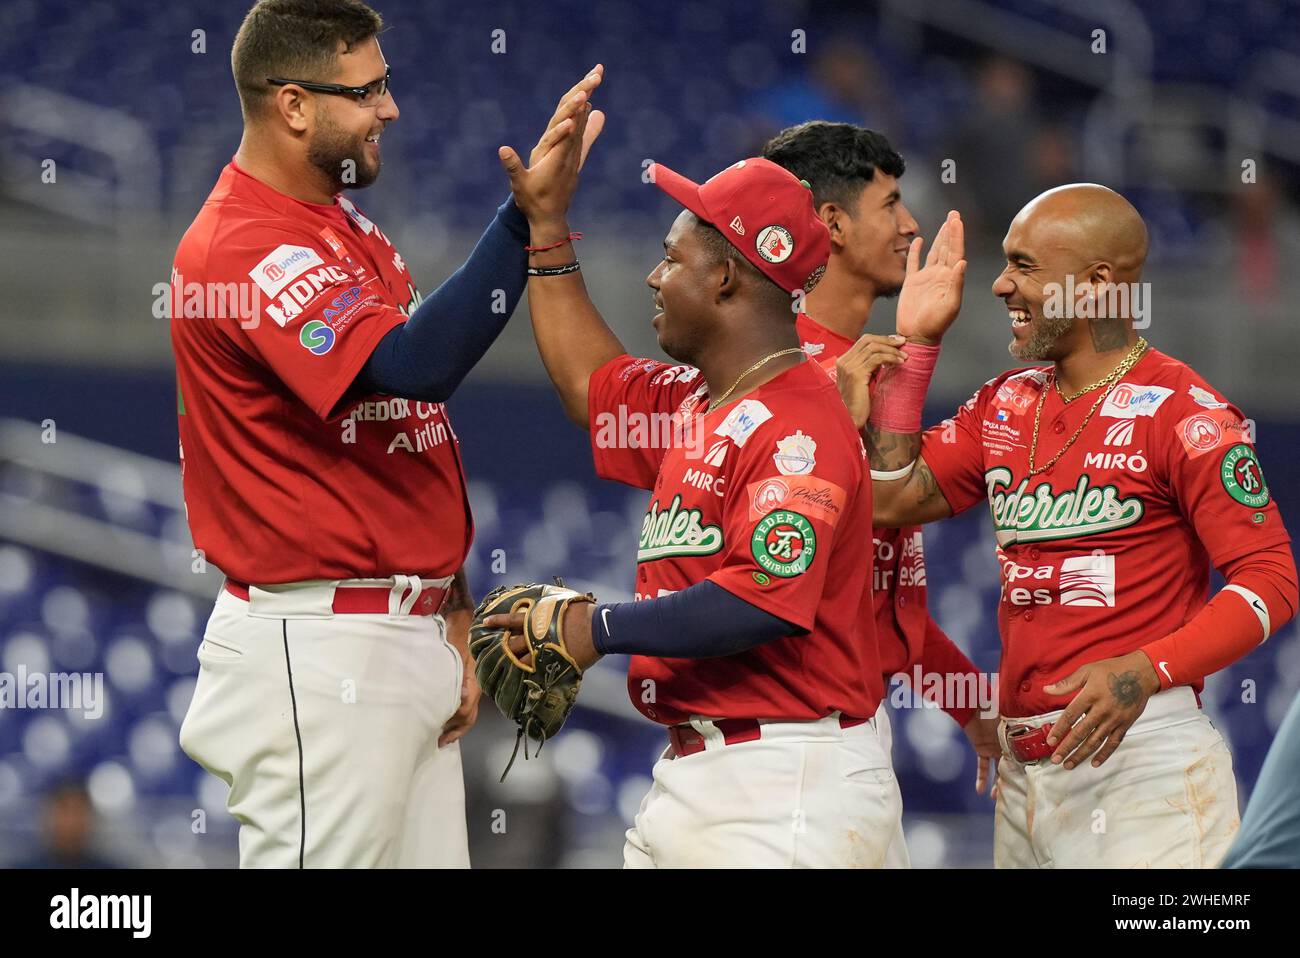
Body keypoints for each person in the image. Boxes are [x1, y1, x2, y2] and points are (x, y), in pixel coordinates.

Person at [171, 0, 603, 867]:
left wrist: (449, 608)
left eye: (386, 85)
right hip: (320, 647)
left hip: (396, 636)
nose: (390, 110)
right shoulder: (243, 244)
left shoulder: (346, 228)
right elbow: (412, 368)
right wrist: (525, 220)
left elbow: (403, 436)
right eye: (366, 90)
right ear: (294, 105)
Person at [493, 106, 931, 863]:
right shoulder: (693, 403)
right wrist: (547, 225)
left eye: (673, 257)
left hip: (786, 781)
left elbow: (759, 596)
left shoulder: (802, 422)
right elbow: (587, 383)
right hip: (701, 772)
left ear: (726, 275)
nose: (655, 276)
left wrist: (595, 629)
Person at [854, 182, 1297, 867]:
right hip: (1023, 777)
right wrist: (915, 348)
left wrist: (1147, 669)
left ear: (1094, 285)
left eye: (1024, 265)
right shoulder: (1004, 403)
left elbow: (1272, 580)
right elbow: (890, 499)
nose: (1000, 284)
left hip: (1141, 768)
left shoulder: (1186, 413)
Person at [763, 121, 1001, 867]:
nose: (911, 225)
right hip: (790, 745)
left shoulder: (875, 368)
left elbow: (887, 599)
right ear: (830, 223)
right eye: (892, 204)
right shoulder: (773, 364)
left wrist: (972, 706)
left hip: (856, 738)